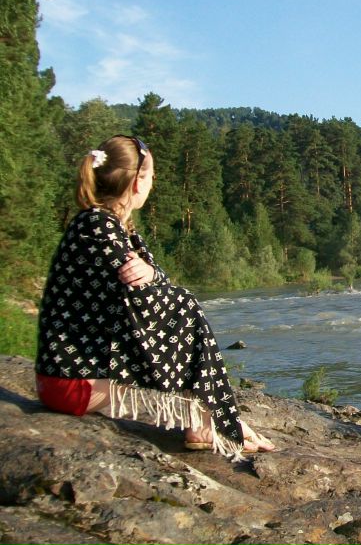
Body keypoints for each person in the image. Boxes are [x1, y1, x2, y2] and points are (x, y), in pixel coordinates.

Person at [35, 134, 275, 459]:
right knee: (184, 306)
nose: (153, 183)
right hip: (70, 385)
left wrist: (154, 276)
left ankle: (206, 421)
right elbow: (150, 304)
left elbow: (153, 286)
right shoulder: (97, 226)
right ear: (137, 182)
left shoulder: (110, 225)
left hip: (72, 379)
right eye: (151, 176)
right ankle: (208, 422)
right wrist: (218, 409)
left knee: (180, 304)